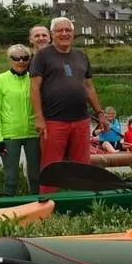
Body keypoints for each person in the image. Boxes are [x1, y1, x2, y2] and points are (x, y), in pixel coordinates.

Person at [30, 17, 108, 194]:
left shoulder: (81, 56)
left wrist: (100, 113)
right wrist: (39, 118)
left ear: (73, 33)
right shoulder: (42, 56)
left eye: (68, 30)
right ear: (52, 34)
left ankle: (81, 198)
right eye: (60, 31)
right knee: (51, 165)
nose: (64, 34)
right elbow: (34, 89)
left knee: (82, 165)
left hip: (81, 119)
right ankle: (47, 202)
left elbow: (89, 87)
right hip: (54, 120)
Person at [0, 44, 40, 196]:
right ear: (9, 59)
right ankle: (8, 206)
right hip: (10, 135)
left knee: (36, 176)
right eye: (16, 58)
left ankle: (38, 204)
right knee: (11, 177)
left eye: (25, 58)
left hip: (33, 133)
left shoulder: (34, 79)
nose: (21, 61)